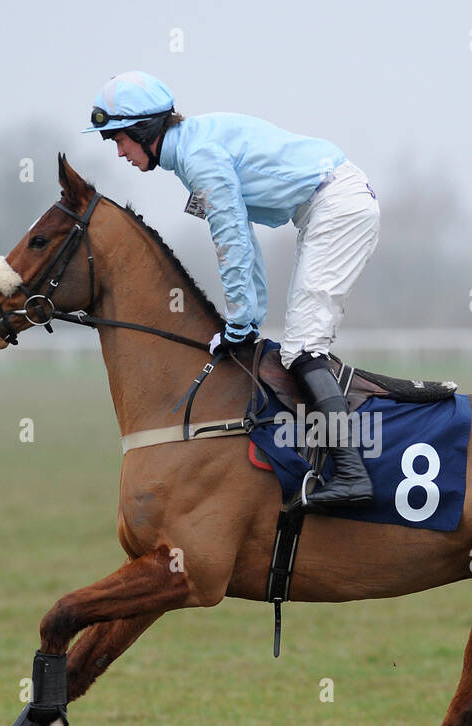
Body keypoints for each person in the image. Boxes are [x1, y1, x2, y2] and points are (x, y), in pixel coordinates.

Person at [83, 70, 380, 509]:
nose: (120, 151)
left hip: (336, 208)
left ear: (146, 130)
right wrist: (247, 319)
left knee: (302, 349)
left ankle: (353, 475)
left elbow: (233, 240)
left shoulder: (199, 157)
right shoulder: (192, 149)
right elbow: (242, 237)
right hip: (327, 207)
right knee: (300, 346)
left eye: (120, 139)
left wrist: (242, 321)